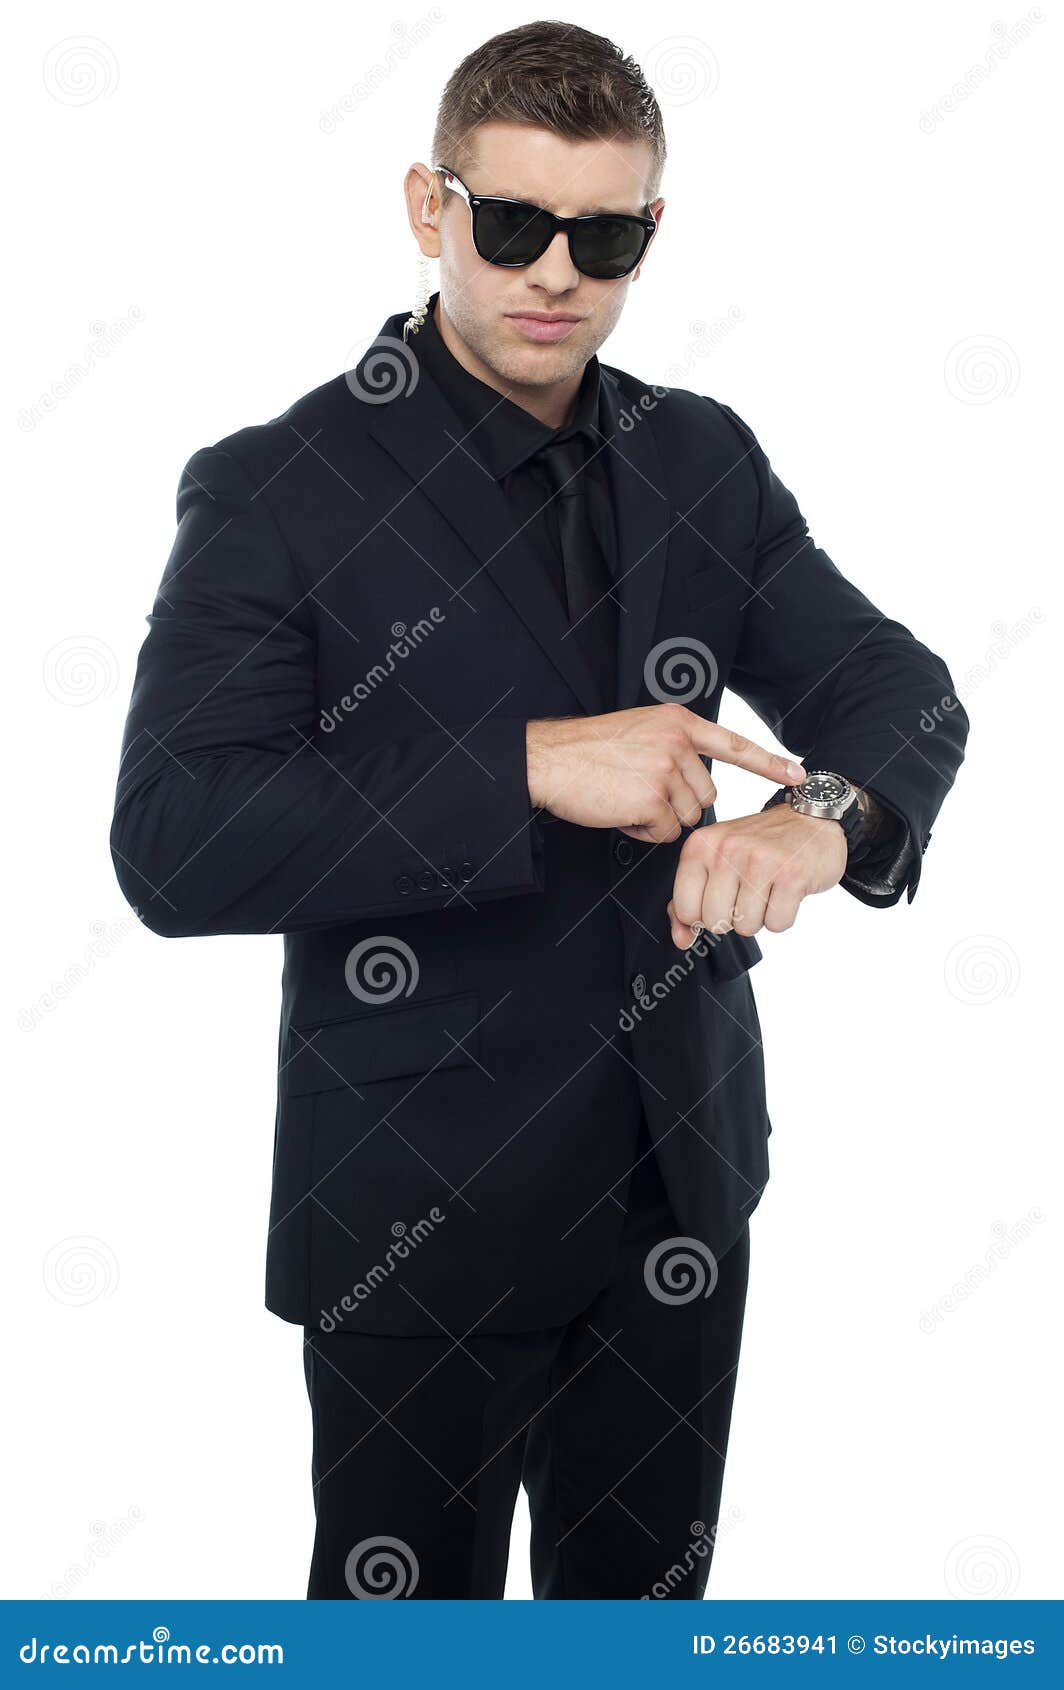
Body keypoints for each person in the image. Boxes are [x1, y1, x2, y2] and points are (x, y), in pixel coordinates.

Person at [109, 21, 968, 1599]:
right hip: (416, 1210)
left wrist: (822, 821)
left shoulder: (702, 458)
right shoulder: (274, 486)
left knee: (641, 1637)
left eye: (605, 234)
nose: (555, 272)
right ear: (428, 208)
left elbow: (895, 688)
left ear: (654, 232)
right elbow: (174, 834)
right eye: (511, 224)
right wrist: (525, 763)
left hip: (680, 1188)